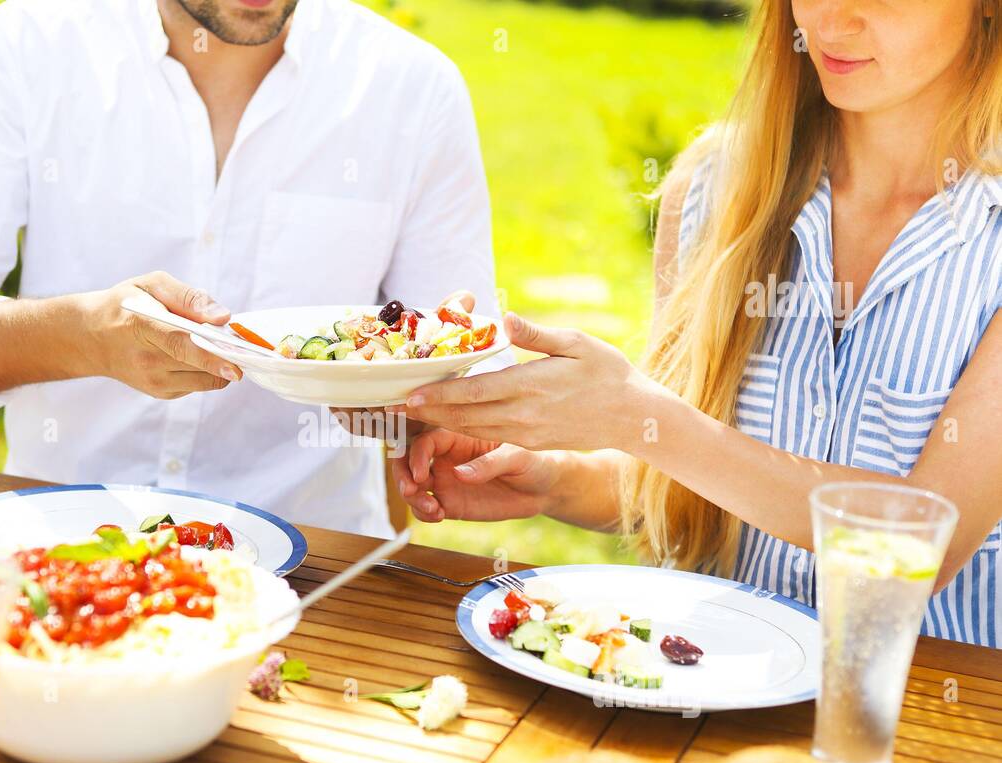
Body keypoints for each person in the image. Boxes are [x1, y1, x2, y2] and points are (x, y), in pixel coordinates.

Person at [392, 0, 1002, 646]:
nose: (832, 18)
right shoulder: (715, 187)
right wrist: (557, 477)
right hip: (711, 703)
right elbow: (685, 482)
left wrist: (632, 415)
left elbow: (924, 542)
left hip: (933, 725)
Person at [0, 0, 499, 538]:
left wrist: (404, 408)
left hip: (315, 568)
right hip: (59, 553)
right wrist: (79, 336)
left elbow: (468, 391)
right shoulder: (27, 46)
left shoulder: (413, 91)